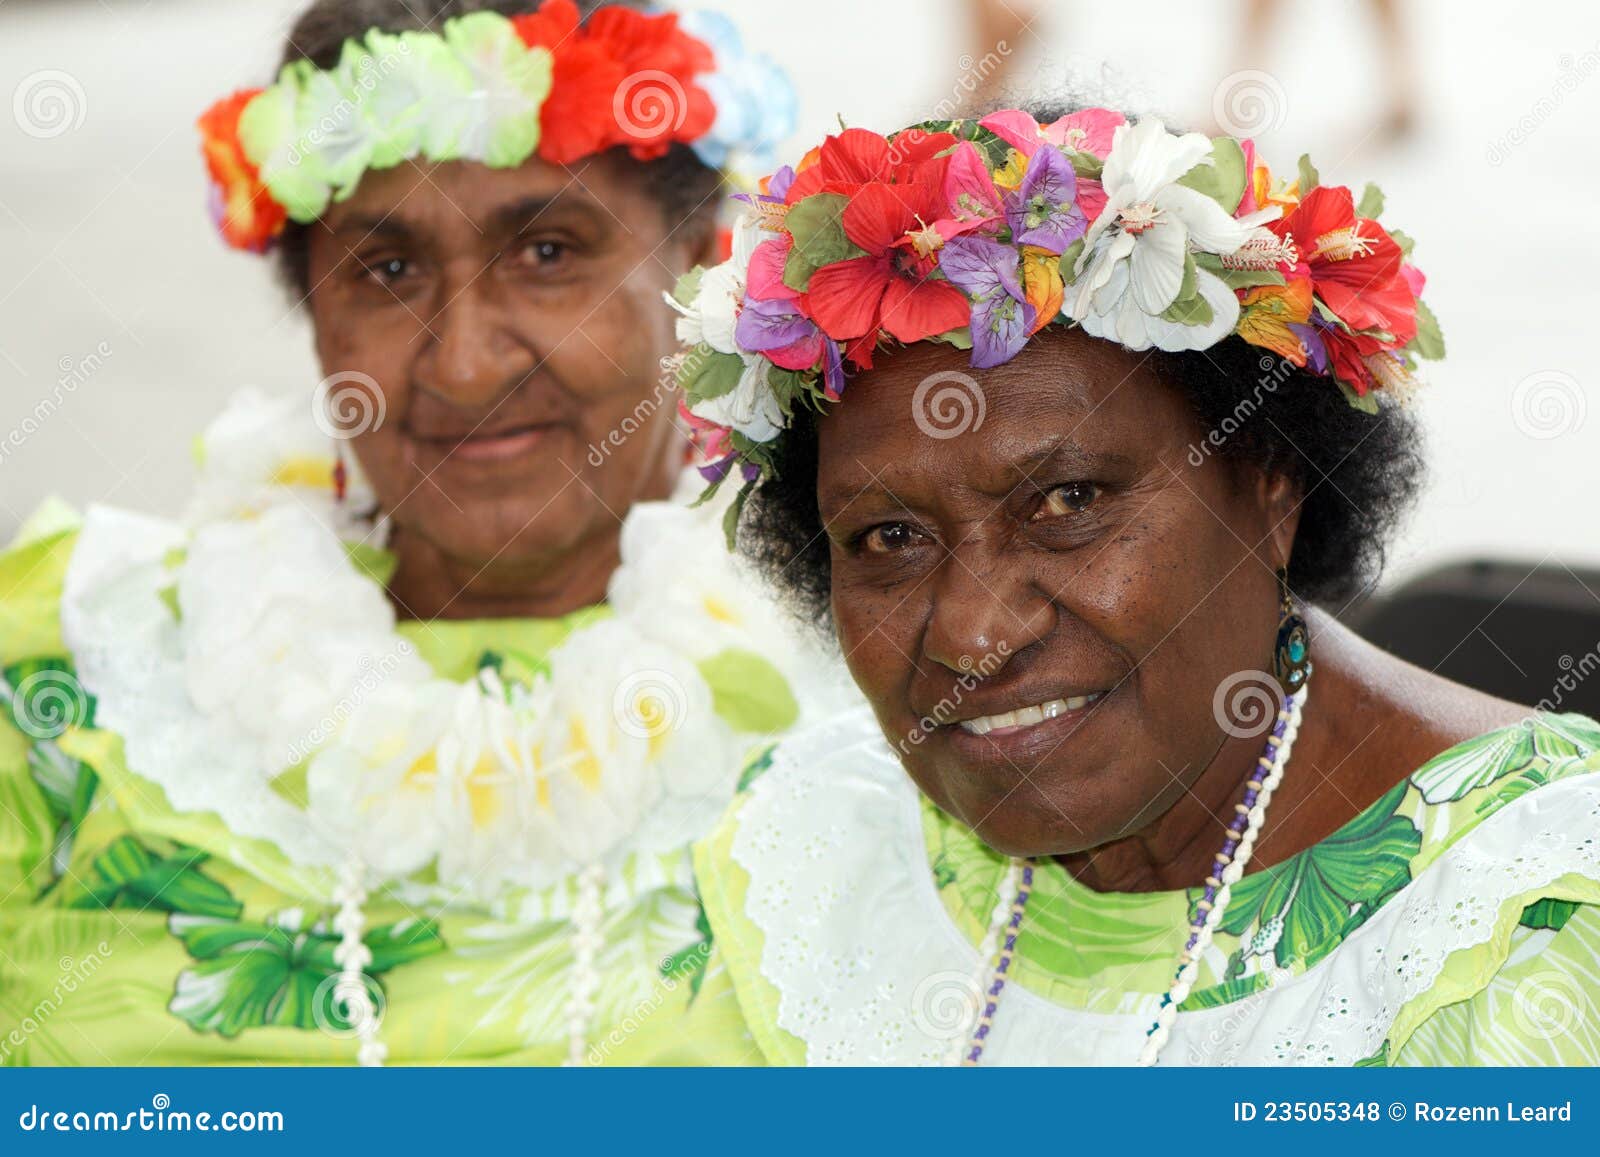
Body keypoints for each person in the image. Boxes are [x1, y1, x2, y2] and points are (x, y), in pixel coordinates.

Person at [679, 104, 1600, 1065]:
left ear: (1274, 484)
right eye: (890, 536)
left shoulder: (1531, 921)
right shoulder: (821, 854)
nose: (972, 633)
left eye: (1069, 500)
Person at [0, 0, 818, 1066]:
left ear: (701, 267)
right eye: (386, 271)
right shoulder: (72, 657)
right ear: (313, 311)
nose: (464, 364)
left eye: (547, 250)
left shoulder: (887, 694)